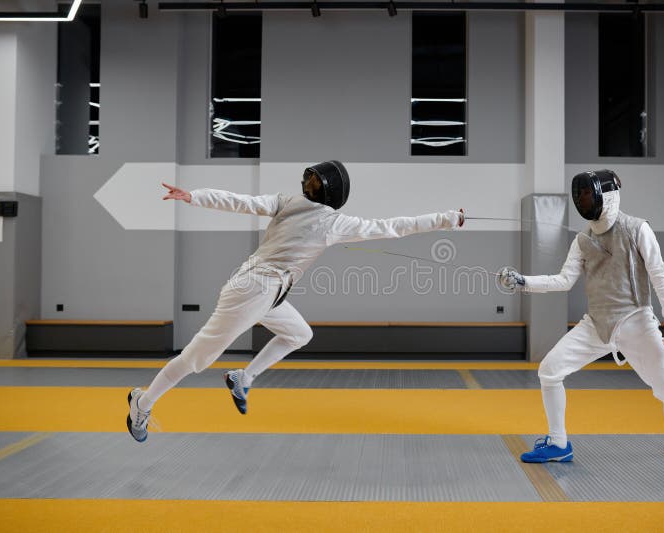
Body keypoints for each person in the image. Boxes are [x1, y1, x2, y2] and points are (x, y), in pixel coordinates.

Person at [127, 161, 464, 442]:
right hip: (254, 290)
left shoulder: (317, 214)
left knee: (299, 334)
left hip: (266, 292)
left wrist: (447, 218)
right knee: (195, 359)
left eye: (315, 180)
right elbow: (242, 201)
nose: (309, 182)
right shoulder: (297, 207)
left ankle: (243, 378)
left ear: (327, 190)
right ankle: (142, 403)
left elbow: (392, 226)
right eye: (310, 177)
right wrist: (195, 197)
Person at [500, 169, 664, 466]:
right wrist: (524, 282)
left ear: (605, 195)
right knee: (549, 370)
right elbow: (563, 280)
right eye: (581, 195)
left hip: (636, 320)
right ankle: (559, 444)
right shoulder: (583, 239)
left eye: (588, 193)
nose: (584, 199)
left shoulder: (637, 228)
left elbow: (659, 273)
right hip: (597, 324)